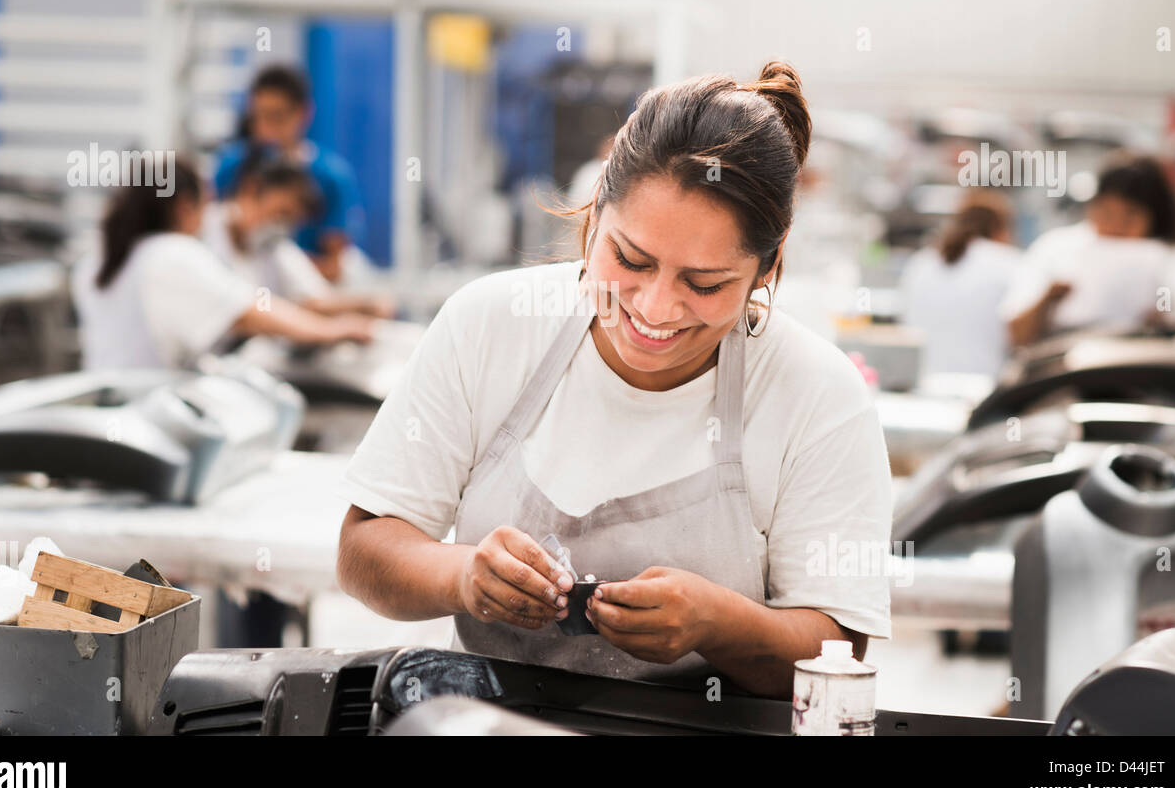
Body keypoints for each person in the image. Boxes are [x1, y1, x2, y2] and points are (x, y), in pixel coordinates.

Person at [336, 62, 893, 698]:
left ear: (767, 264)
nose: (655, 309)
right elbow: (365, 549)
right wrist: (463, 577)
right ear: (596, 208)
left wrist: (718, 623)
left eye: (705, 283)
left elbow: (839, 651)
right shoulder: (490, 324)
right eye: (630, 259)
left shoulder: (817, 397)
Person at [72, 157, 375, 371]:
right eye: (205, 205)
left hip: (111, 399)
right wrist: (332, 331)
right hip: (147, 407)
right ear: (184, 207)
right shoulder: (172, 253)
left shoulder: (101, 258)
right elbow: (249, 312)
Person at [1003, 152, 1175, 347]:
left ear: (1155, 218)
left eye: (1130, 215)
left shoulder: (1172, 259)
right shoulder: (1056, 249)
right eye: (1105, 212)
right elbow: (1015, 332)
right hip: (1063, 372)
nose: (1114, 225)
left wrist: (1164, 314)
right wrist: (1049, 299)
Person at [213, 65, 367, 284]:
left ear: (304, 113)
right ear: (250, 188)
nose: (265, 130)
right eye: (258, 118)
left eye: (276, 117)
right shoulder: (231, 166)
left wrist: (280, 265)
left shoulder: (332, 177)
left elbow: (334, 267)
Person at [199, 154, 394, 321]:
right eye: (281, 212)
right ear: (252, 189)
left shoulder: (274, 246)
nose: (280, 225)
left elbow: (314, 300)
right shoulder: (202, 229)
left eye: (290, 221)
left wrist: (367, 305)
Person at [899, 189, 1021, 378]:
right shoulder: (1011, 263)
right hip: (986, 386)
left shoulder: (920, 263)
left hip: (924, 381)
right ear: (1001, 229)